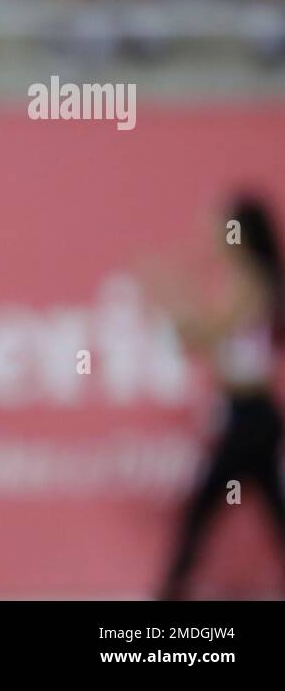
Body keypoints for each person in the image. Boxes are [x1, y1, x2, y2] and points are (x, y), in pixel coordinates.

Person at [150, 195, 285, 599]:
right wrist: (177, 308)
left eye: (223, 226)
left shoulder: (253, 279)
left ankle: (171, 590)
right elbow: (207, 341)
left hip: (252, 415)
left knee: (203, 506)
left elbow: (215, 332)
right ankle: (173, 587)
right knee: (268, 507)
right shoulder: (239, 279)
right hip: (243, 414)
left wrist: (176, 295)